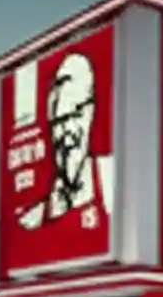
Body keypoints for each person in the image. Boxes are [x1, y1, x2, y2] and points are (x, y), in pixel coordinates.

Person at [16, 52, 114, 232]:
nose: (66, 131)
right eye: (58, 122)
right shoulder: (35, 220)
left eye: (75, 115)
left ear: (90, 112)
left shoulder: (112, 180)